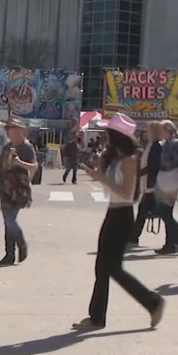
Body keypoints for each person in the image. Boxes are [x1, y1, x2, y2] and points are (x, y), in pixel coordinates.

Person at [72, 114, 165, 331]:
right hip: (112, 215)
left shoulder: (130, 161)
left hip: (122, 217)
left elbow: (125, 192)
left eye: (108, 135)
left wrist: (102, 178)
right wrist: (100, 173)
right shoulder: (116, 160)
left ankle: (151, 302)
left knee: (111, 269)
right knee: (104, 268)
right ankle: (98, 317)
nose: (105, 139)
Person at [0, 116, 37, 266]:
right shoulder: (6, 148)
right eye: (7, 130)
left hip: (19, 189)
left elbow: (33, 166)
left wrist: (19, 162)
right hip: (5, 188)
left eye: (10, 129)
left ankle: (21, 244)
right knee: (7, 222)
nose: (8, 132)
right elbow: (0, 168)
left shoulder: (26, 147)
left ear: (19, 130)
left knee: (10, 220)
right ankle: (9, 254)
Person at [152, 120, 178, 254]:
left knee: (163, 211)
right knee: (166, 213)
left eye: (162, 130)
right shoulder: (165, 144)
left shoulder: (175, 144)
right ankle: (170, 244)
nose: (160, 133)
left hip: (172, 179)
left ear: (168, 130)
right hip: (166, 179)